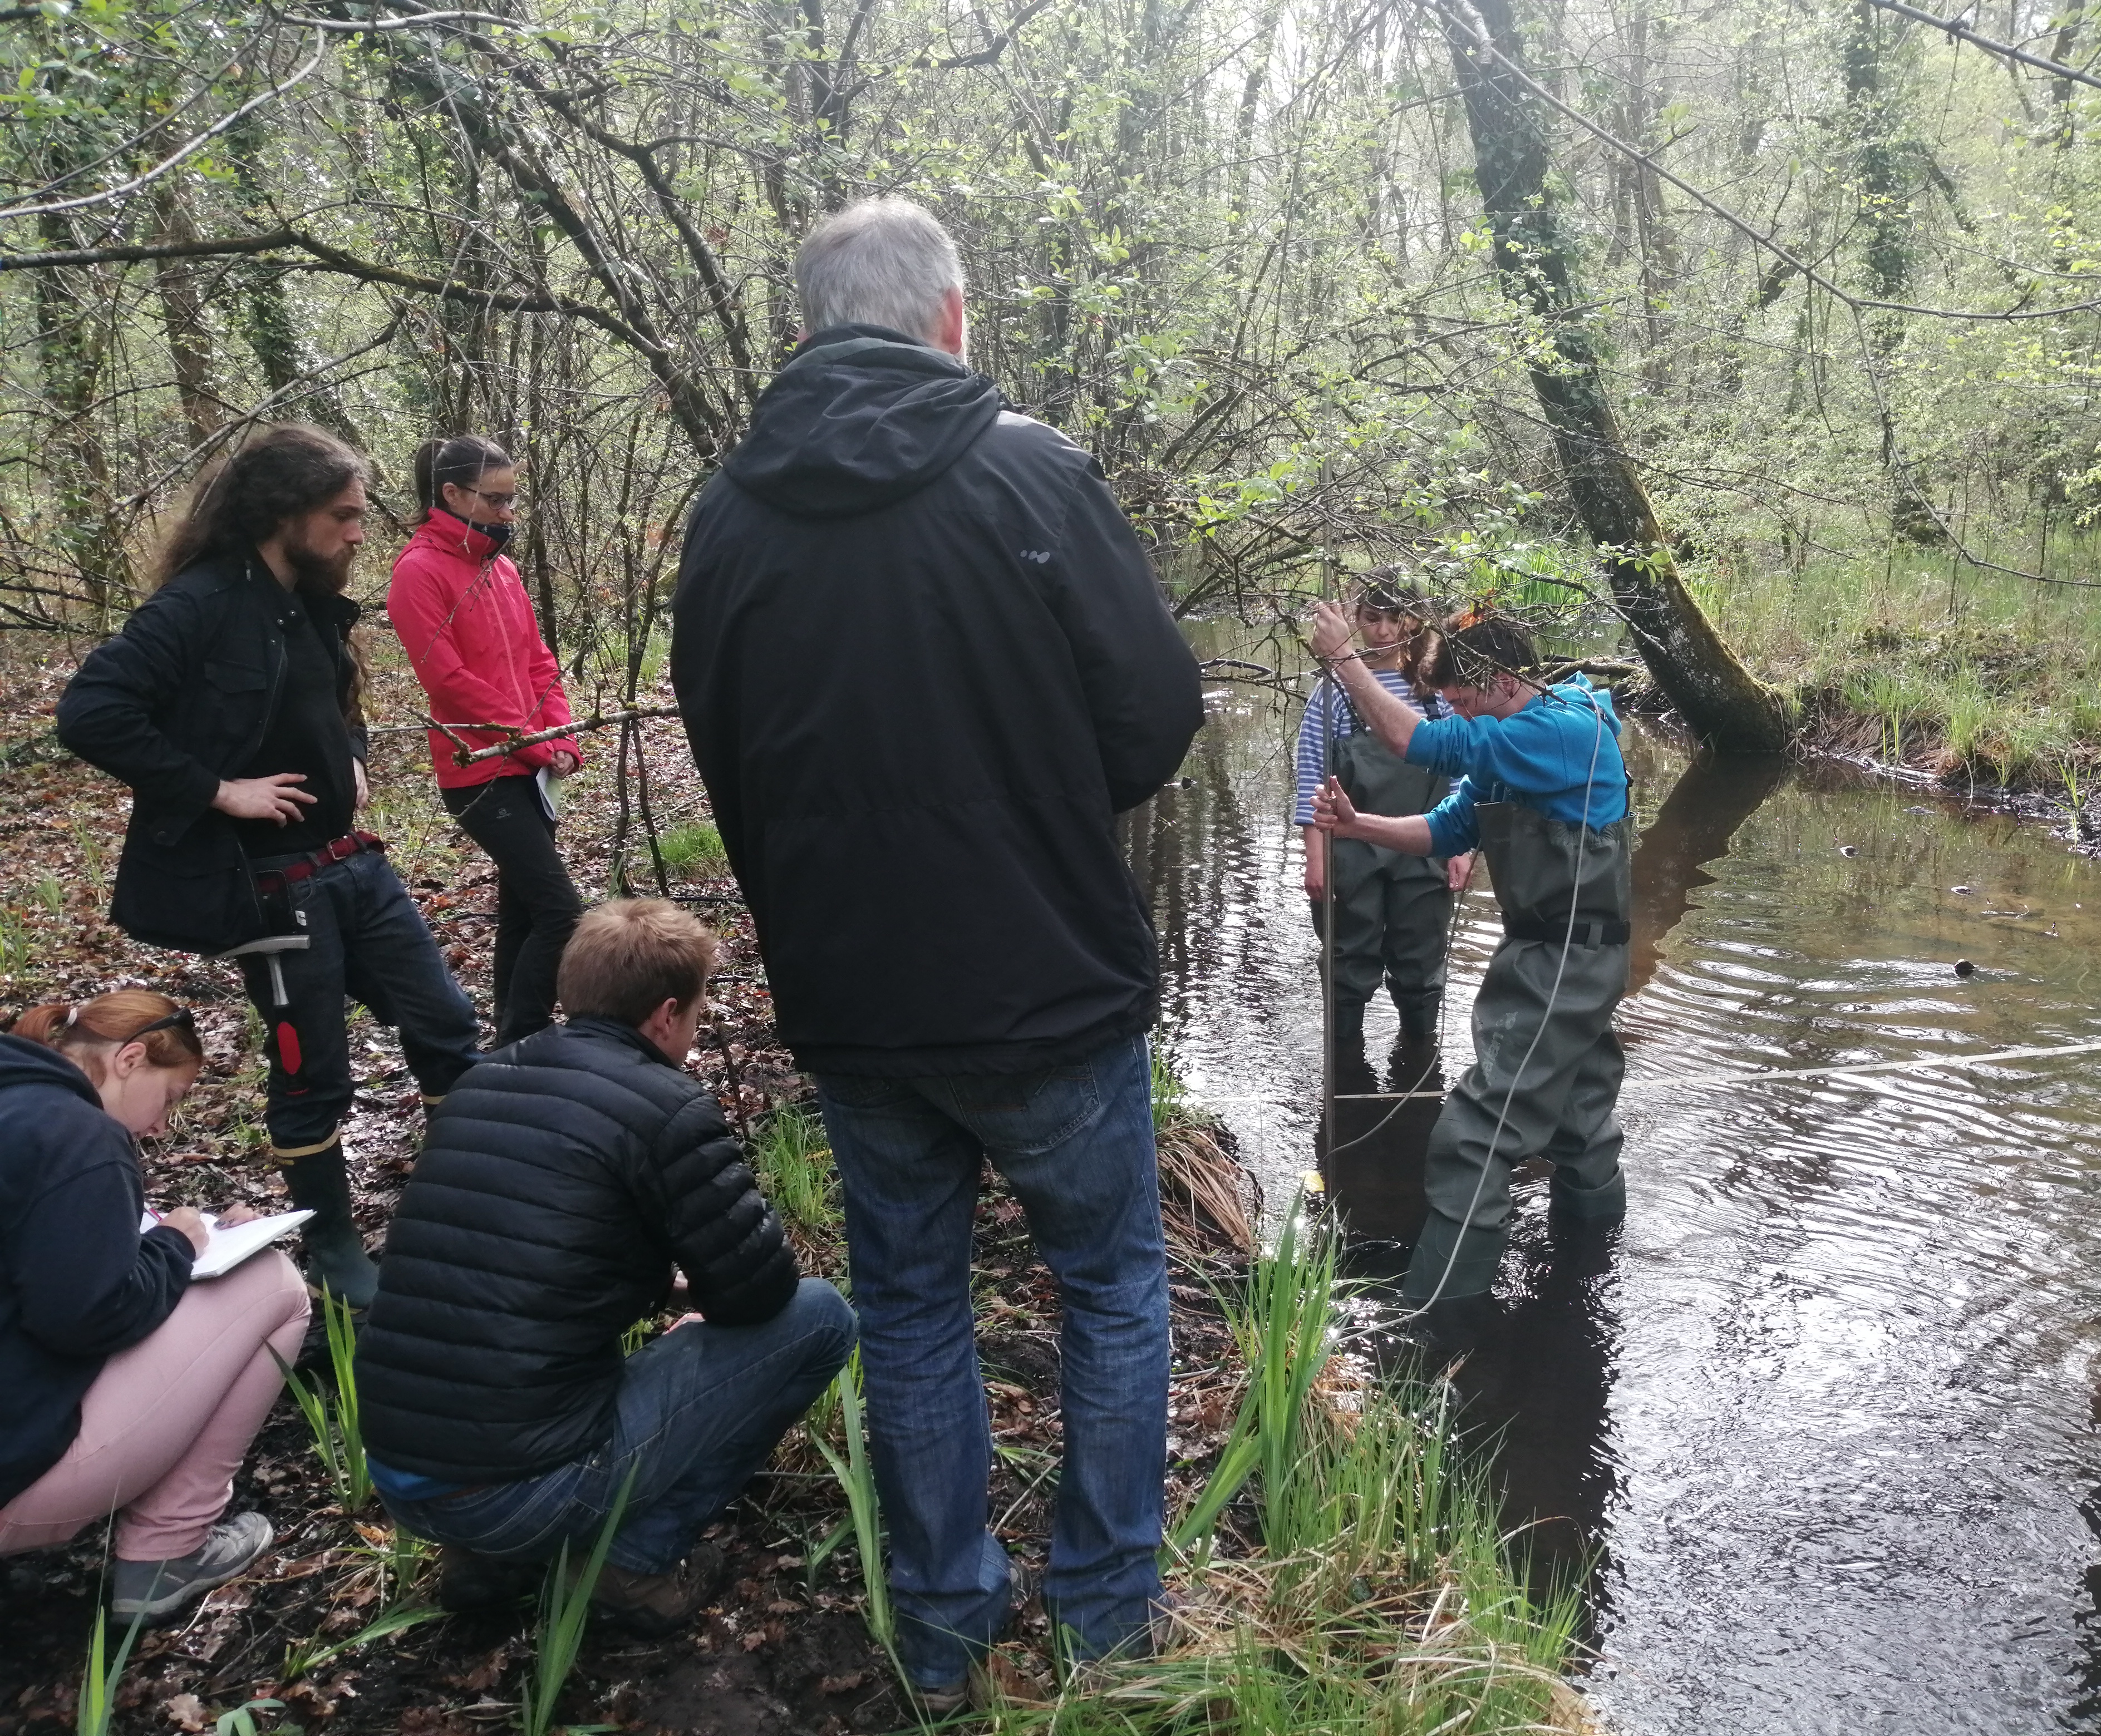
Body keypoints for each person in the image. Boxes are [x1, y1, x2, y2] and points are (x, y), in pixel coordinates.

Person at [671, 196, 1205, 1702]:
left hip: (856, 1001)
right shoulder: (1031, 473)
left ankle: (944, 1632)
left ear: (806, 331)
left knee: (911, 1304)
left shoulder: (729, 516)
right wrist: (1037, 802)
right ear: (952, 317)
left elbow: (727, 749)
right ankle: (1105, 1627)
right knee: (1109, 1291)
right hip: (1047, 983)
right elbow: (1156, 716)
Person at [56, 423, 485, 1309]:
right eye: (344, 515)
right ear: (281, 511)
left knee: (445, 1025)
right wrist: (217, 789)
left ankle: (455, 1209)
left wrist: (353, 752)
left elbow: (332, 700)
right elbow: (92, 712)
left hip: (353, 867)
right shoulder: (200, 605)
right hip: (271, 888)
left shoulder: (310, 599)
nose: (360, 534)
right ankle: (331, 1243)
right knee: (313, 1072)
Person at [355, 900, 856, 1635]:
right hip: (520, 1487)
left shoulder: (485, 1083)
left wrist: (663, 1288)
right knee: (820, 1317)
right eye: (695, 1013)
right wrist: (705, 1306)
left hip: (401, 1472)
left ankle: (490, 1557)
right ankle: (634, 1561)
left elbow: (516, 1259)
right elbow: (762, 1294)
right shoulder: (665, 1106)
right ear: (664, 1015)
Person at [1308, 604, 1631, 1300]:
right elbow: (1447, 828)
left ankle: (1435, 1314)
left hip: (1567, 963)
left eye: (1458, 696)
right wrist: (1358, 824)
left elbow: (1419, 747)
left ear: (1501, 678)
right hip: (1551, 956)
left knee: (1472, 1136)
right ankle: (1592, 1267)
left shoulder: (1560, 729)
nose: (1450, 710)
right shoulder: (1512, 731)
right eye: (1443, 699)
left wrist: (1343, 660)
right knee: (1577, 1121)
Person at [0, 990, 308, 1621]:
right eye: (169, 1099)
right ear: (130, 1059)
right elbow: (88, 1318)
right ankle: (168, 1552)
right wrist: (177, 1246)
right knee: (273, 1284)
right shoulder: (80, 1136)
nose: (162, 1127)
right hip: (13, 1481)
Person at [388, 436, 586, 1044]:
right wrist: (531, 742)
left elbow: (536, 658)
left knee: (524, 911)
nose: (508, 513)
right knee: (561, 912)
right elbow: (448, 682)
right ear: (451, 495)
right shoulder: (417, 573)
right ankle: (524, 1036)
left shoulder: (499, 568)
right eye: (494, 500)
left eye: (511, 499)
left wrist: (561, 734)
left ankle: (513, 1040)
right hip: (477, 772)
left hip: (529, 765)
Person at [1293, 578, 1473, 1070]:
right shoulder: (1332, 692)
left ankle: (1419, 1060)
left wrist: (1462, 846)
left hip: (1425, 843)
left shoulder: (1435, 695)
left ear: (1415, 621)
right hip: (1351, 853)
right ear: (1355, 620)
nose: (1384, 630)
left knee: (1421, 960)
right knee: (1349, 960)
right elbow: (1311, 772)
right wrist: (1315, 857)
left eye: (1396, 619)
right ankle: (1345, 1065)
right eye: (1372, 618)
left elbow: (1461, 772)